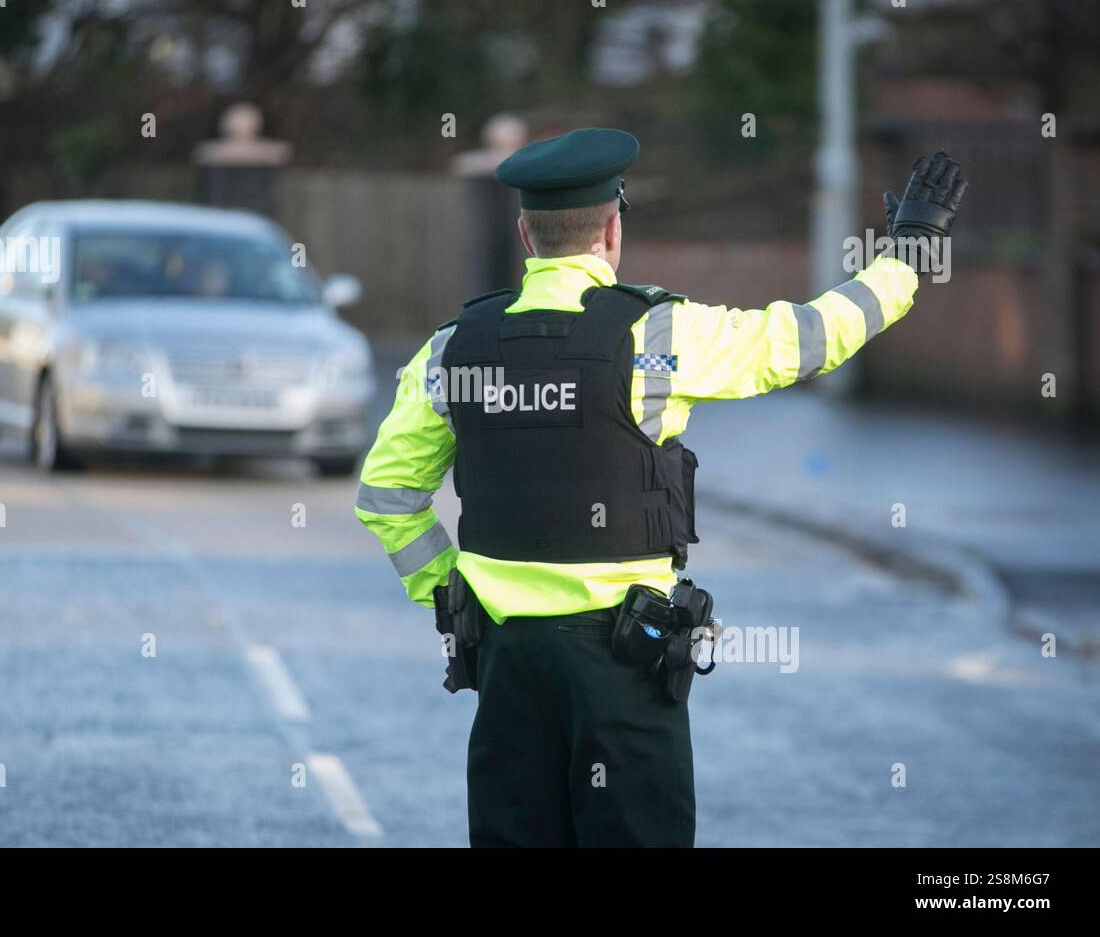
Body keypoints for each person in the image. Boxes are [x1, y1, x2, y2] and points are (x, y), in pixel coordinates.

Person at [354, 128, 967, 847]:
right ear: (613, 229)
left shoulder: (452, 348)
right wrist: (905, 258)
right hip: (623, 665)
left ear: (524, 233)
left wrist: (449, 598)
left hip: (507, 663)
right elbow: (813, 338)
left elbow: (387, 495)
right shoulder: (657, 336)